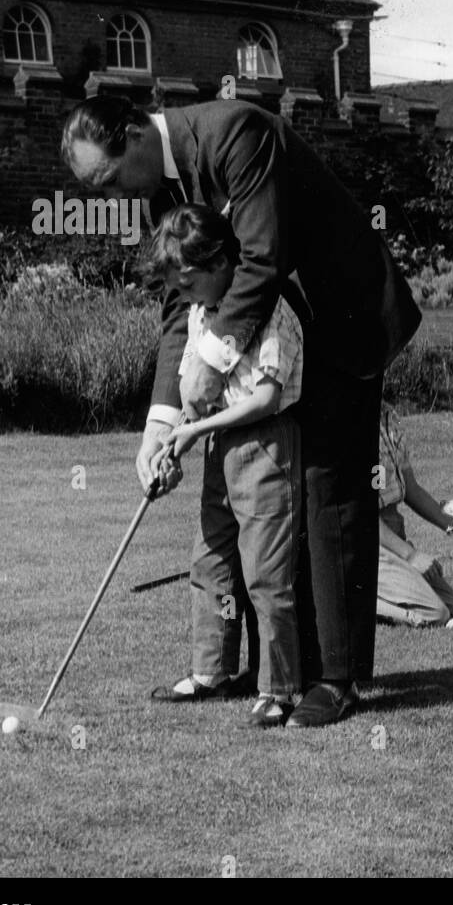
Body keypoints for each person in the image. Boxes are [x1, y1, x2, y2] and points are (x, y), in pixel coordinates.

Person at [62, 95, 421, 727]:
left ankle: (336, 680)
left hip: (342, 322)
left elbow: (262, 256)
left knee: (327, 492)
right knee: (264, 507)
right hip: (272, 337)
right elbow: (181, 303)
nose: (112, 195)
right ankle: (266, 674)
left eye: (110, 179)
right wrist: (160, 424)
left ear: (135, 135)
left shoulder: (236, 132)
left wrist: (214, 358)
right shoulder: (162, 190)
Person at [143, 205, 303, 727]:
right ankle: (211, 672)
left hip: (265, 446)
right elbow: (197, 396)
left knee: (265, 573)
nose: (184, 295)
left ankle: (279, 689)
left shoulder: (270, 309)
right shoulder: (200, 314)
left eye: (188, 283)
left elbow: (266, 400)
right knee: (210, 559)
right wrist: (174, 446)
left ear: (219, 263)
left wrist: (195, 430)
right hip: (218, 446)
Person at [376, 402, 453, 626]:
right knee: (435, 614)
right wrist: (411, 556)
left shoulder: (389, 415)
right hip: (371, 542)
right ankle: (361, 599)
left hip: (394, 531)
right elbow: (362, 515)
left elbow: (411, 488)